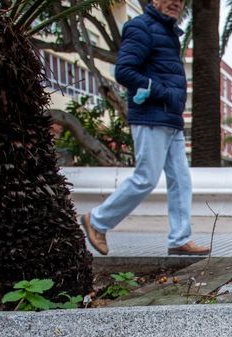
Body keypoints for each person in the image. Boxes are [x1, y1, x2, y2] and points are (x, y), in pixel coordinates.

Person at [79, 0, 210, 256]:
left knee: (181, 180)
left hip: (170, 118)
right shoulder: (141, 27)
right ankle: (96, 221)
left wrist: (171, 101)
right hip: (151, 116)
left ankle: (179, 239)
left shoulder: (168, 32)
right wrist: (161, 93)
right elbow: (124, 71)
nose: (176, 3)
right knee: (146, 178)